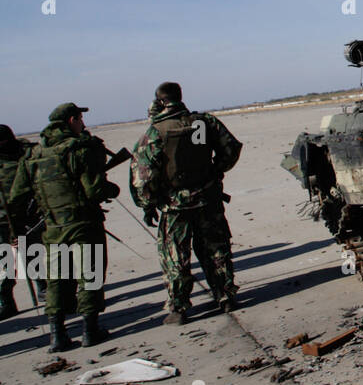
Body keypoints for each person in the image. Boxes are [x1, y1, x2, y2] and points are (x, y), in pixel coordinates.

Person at [6, 104, 117, 351]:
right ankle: (90, 331)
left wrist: (17, 231)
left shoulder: (33, 155)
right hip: (84, 223)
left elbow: (16, 198)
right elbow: (94, 190)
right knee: (90, 273)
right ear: (71, 120)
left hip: (53, 226)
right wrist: (112, 190)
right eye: (80, 119)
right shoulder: (79, 149)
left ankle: (58, 335)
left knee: (57, 279)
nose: (84, 125)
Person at [129, 82, 242, 325]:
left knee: (175, 257)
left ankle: (178, 308)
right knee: (216, 250)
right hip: (207, 199)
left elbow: (143, 177)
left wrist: (148, 205)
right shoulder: (203, 122)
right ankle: (225, 296)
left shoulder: (156, 132)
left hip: (175, 206)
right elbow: (231, 149)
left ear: (159, 102)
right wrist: (215, 172)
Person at [0, 125, 37, 321]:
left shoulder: (25, 153)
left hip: (29, 213)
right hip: (2, 219)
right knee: (6, 260)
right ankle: (6, 301)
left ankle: (44, 288)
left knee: (34, 251)